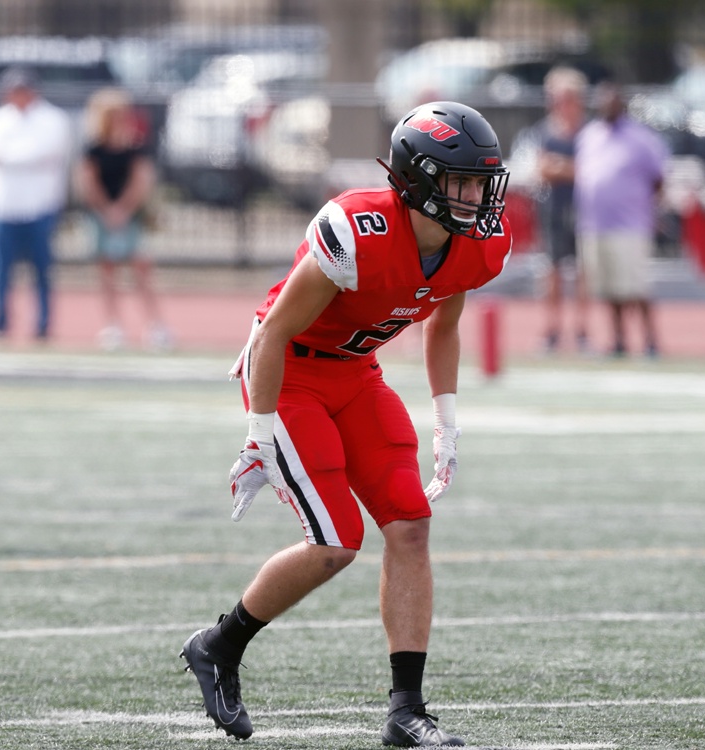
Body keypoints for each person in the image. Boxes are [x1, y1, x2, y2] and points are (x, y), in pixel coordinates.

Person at [180, 101, 513, 747]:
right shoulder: (358, 228)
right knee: (336, 542)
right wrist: (260, 433)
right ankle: (218, 646)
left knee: (410, 525)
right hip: (290, 372)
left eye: (481, 183)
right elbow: (273, 333)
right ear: (418, 180)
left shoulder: (478, 242)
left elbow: (444, 325)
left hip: (356, 372)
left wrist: (446, 421)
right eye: (460, 182)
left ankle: (406, 712)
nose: (476, 198)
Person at [574, 81, 669, 358]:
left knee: (635, 286)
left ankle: (650, 341)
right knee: (608, 288)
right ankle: (619, 340)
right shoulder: (589, 135)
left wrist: (649, 209)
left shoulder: (640, 138)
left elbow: (659, 178)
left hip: (630, 224)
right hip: (594, 224)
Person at [0, 66, 70, 341]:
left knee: (41, 271)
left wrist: (6, 158)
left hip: (40, 207)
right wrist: (17, 158)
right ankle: (0, 324)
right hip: (1, 207)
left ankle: (43, 325)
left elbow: (44, 154)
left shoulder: (53, 119)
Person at [77, 87, 171, 352]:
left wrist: (123, 209)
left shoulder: (135, 148)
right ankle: (113, 326)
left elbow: (141, 181)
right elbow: (88, 182)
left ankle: (156, 326)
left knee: (141, 270)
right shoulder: (93, 149)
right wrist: (107, 210)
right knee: (107, 272)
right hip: (102, 218)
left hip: (130, 217)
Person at [523, 66, 592, 354]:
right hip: (552, 209)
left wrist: (560, 167)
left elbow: (591, 170)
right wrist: (568, 169)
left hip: (584, 209)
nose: (559, 104)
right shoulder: (543, 131)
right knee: (551, 270)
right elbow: (540, 169)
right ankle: (552, 331)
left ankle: (582, 332)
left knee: (583, 271)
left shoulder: (589, 132)